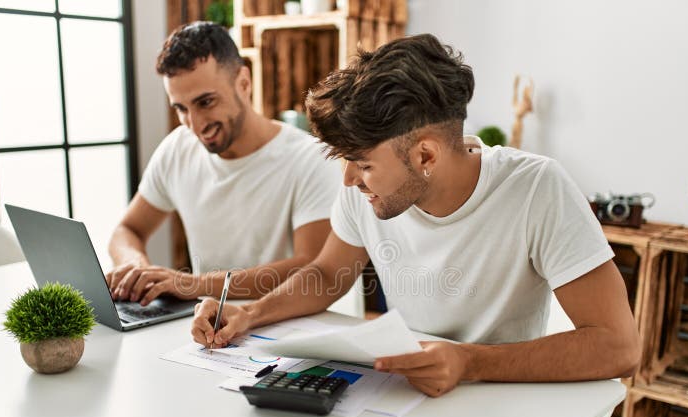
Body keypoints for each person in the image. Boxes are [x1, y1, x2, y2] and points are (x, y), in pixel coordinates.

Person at [191, 34, 640, 397]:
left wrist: (469, 362)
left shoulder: (537, 188)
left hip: (504, 397)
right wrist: (250, 315)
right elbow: (327, 274)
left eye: (363, 163)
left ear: (425, 155)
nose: (349, 179)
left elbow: (618, 345)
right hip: (408, 395)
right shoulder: (365, 190)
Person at [107, 22, 341, 305]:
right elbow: (127, 230)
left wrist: (190, 284)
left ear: (244, 83)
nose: (195, 124)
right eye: (181, 108)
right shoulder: (178, 147)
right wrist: (135, 267)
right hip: (210, 330)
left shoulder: (311, 159)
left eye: (205, 102)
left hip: (294, 328)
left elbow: (312, 269)